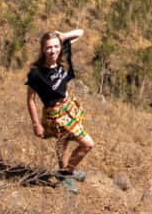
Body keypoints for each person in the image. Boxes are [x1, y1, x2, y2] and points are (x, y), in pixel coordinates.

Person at [26, 29, 95, 193]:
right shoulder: (36, 73)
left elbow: (80, 32)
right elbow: (30, 99)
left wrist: (63, 36)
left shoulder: (62, 59)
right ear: (43, 49)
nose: (53, 51)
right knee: (88, 144)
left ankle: (64, 171)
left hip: (68, 107)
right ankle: (67, 173)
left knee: (63, 140)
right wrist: (36, 124)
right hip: (55, 115)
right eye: (49, 47)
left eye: (56, 46)